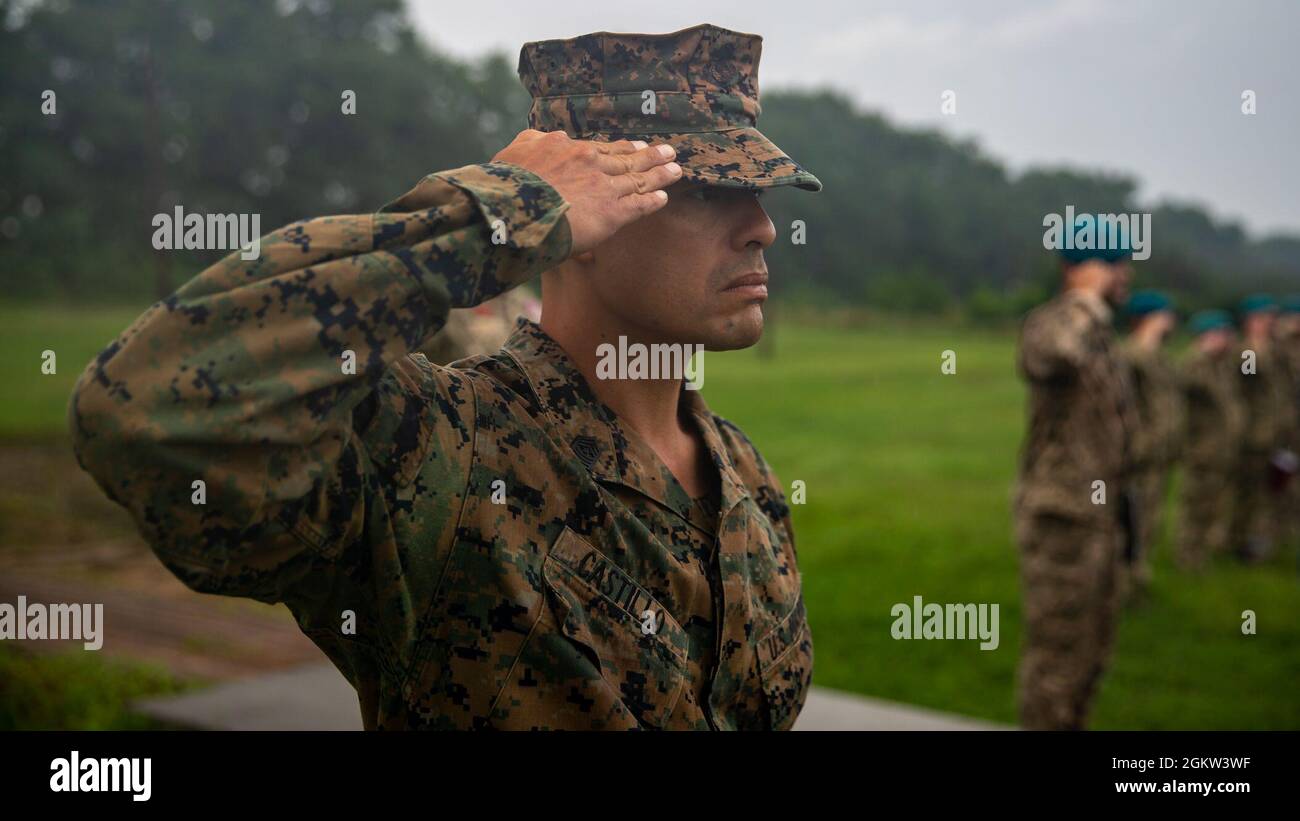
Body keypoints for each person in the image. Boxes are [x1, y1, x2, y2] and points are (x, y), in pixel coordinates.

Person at [69, 23, 819, 730]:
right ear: (586, 221)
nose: (761, 227)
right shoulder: (445, 453)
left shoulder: (743, 476)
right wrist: (500, 211)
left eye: (757, 192)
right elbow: (149, 407)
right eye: (705, 191)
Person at [1013, 213, 1138, 730]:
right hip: (1063, 521)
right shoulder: (1059, 321)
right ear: (1091, 266)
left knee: (1089, 657)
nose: (1127, 278)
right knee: (1058, 664)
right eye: (1118, 266)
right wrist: (1085, 294)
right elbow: (1050, 354)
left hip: (1097, 519)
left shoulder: (1100, 336)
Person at [1120, 290, 1183, 599]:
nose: (1170, 321)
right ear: (1149, 318)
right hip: (1138, 453)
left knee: (1150, 518)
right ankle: (1124, 584)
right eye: (1164, 314)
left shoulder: (1160, 357)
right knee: (1131, 520)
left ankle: (1137, 579)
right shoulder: (1130, 357)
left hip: (1161, 451)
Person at [1175, 310, 1246, 570]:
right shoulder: (1196, 365)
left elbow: (1249, 362)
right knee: (1195, 503)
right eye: (1221, 334)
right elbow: (1186, 385)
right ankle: (1187, 554)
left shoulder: (1223, 366)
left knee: (1212, 503)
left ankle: (1201, 551)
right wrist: (1202, 351)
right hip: (1202, 448)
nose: (1227, 340)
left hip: (1221, 447)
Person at [1232, 294, 1291, 562]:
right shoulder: (1246, 351)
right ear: (1251, 321)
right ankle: (1238, 539)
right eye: (1263, 318)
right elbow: (1247, 382)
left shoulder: (1272, 349)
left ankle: (1252, 540)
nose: (1270, 323)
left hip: (1272, 430)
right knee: (1248, 488)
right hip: (1252, 431)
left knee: (1266, 489)